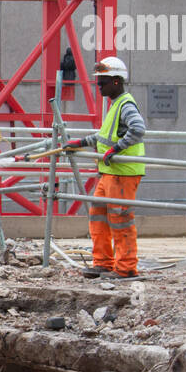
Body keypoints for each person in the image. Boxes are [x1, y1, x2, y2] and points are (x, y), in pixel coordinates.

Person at [66, 56, 146, 278]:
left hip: (122, 173)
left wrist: (117, 149)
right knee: (98, 215)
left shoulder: (126, 104)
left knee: (120, 220)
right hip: (110, 172)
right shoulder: (115, 105)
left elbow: (138, 129)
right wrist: (81, 143)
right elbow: (105, 137)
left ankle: (126, 268)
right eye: (98, 81)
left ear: (117, 81)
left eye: (103, 81)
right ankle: (103, 262)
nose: (99, 86)